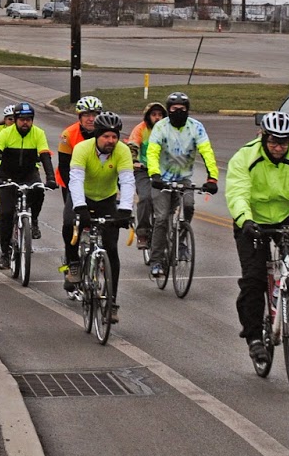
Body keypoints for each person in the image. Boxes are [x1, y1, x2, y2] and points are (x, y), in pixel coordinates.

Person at [225, 111, 289, 370]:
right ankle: (252, 337)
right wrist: (245, 220)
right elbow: (237, 192)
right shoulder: (245, 157)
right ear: (262, 136)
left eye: (283, 142)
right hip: (252, 220)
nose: (278, 147)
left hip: (286, 215)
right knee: (253, 279)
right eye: (273, 141)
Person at [68, 110, 134, 323]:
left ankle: (112, 302)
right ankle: (74, 265)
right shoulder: (82, 149)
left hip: (106, 199)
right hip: (83, 197)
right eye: (106, 136)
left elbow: (127, 180)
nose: (111, 140)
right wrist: (80, 206)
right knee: (69, 224)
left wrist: (125, 210)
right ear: (97, 135)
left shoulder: (122, 151)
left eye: (114, 136)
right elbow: (76, 179)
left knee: (111, 249)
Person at [146, 92, 219, 277]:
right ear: (168, 111)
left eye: (182, 109)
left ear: (188, 110)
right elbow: (152, 152)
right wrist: (154, 174)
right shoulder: (160, 127)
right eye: (174, 109)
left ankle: (181, 240)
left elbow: (207, 152)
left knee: (189, 205)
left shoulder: (196, 127)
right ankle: (155, 260)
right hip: (161, 179)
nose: (178, 112)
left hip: (184, 178)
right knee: (162, 218)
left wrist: (212, 178)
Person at [0, 101, 58, 268]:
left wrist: (51, 178)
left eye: (28, 119)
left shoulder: (38, 133)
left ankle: (33, 221)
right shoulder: (6, 133)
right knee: (5, 214)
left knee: (39, 191)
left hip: (28, 174)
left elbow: (45, 156)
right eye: (21, 119)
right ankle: (5, 254)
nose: (25, 122)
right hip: (7, 175)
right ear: (16, 119)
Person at [57, 95, 103, 291]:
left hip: (99, 185)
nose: (90, 119)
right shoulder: (68, 135)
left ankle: (101, 255)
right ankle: (73, 263)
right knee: (70, 222)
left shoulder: (106, 134)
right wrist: (76, 194)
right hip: (71, 183)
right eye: (86, 115)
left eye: (94, 115)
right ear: (79, 116)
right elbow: (64, 168)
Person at [127, 100, 167, 250]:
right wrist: (134, 160)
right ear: (148, 116)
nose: (157, 118)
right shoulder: (141, 129)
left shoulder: (168, 130)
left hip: (164, 171)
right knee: (145, 197)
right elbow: (132, 146)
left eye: (160, 115)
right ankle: (143, 233)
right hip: (143, 170)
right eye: (154, 114)